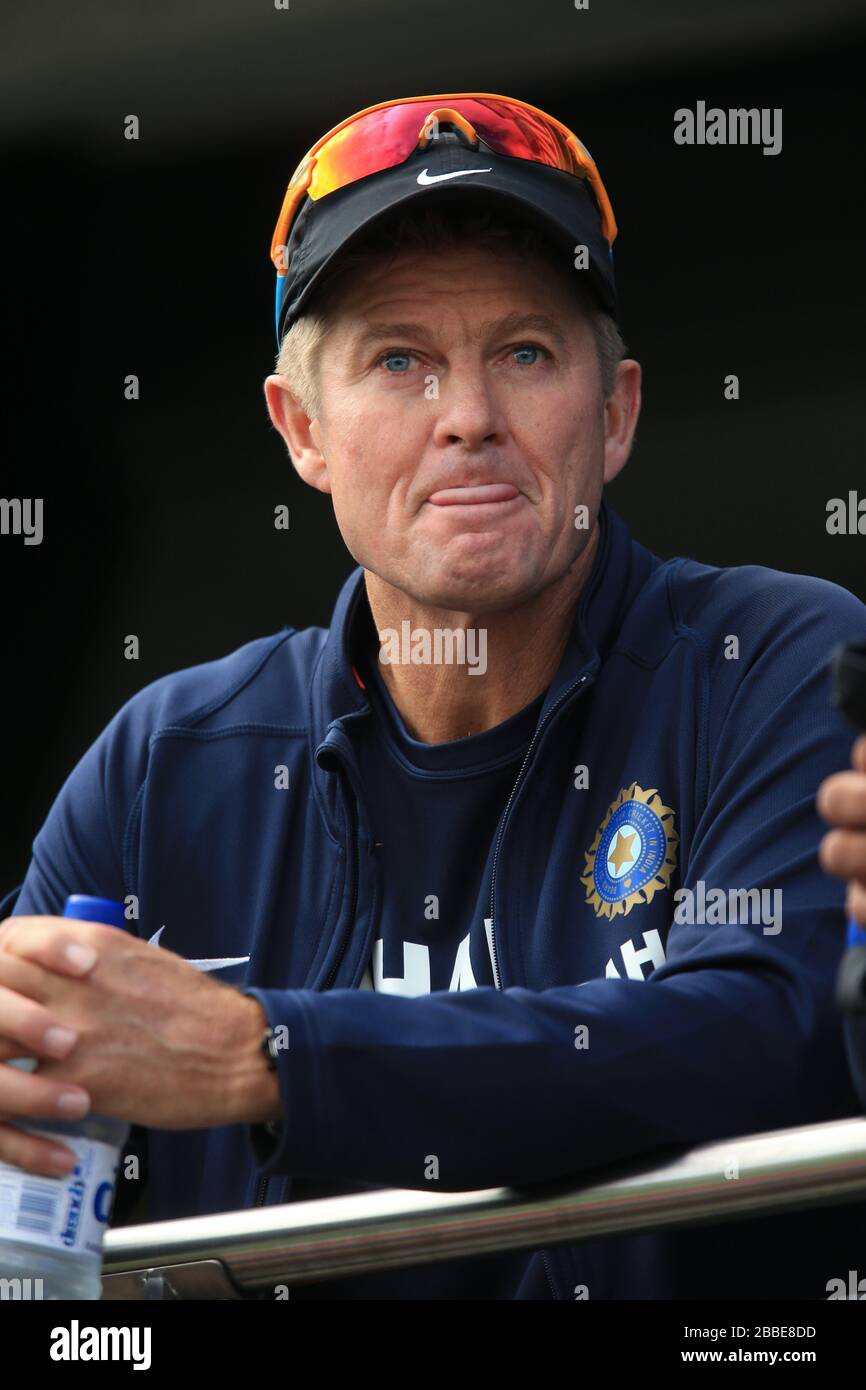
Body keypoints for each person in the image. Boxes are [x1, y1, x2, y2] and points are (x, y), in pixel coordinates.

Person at [2, 92, 866, 1300]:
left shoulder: (772, 660)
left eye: (522, 352)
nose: (466, 419)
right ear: (301, 429)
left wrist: (267, 1056)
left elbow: (765, 1040)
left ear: (613, 413)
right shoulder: (165, 764)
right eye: (398, 360)